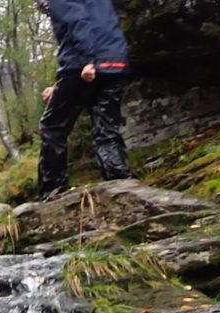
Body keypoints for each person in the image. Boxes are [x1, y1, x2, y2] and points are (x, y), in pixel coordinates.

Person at [36, 0, 133, 201]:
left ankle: (53, 190)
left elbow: (77, 21)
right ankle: (121, 181)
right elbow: (97, 25)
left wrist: (89, 61)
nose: (43, 9)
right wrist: (58, 86)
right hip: (115, 63)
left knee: (52, 126)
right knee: (106, 128)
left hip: (85, 65)